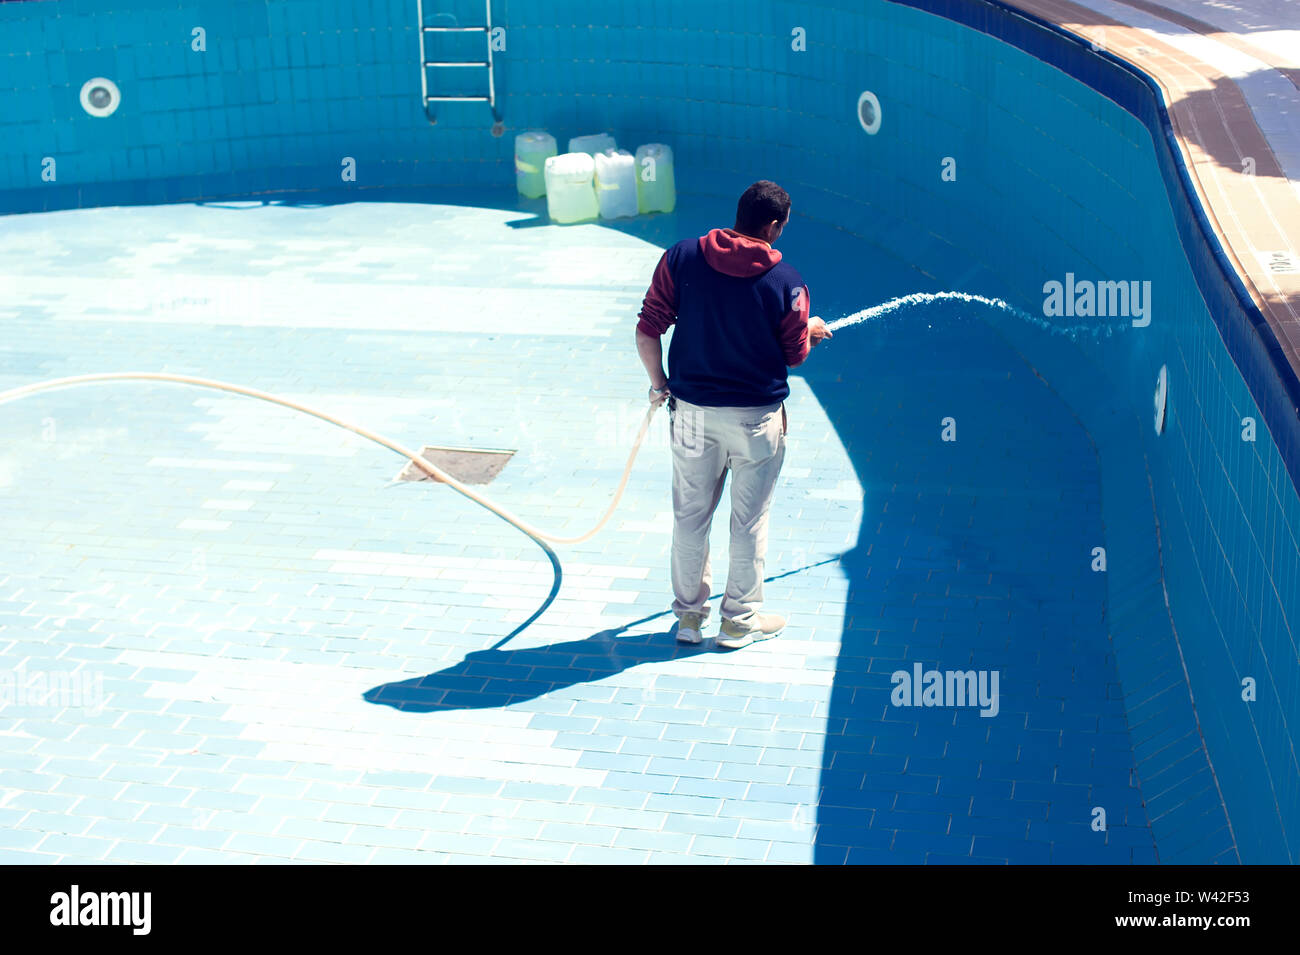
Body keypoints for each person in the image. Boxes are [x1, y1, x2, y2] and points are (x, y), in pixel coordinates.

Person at [635, 180, 832, 649]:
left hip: (691, 414)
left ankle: (688, 619)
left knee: (690, 516)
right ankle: (739, 621)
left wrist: (660, 385)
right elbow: (793, 355)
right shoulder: (787, 283)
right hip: (755, 421)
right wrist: (810, 331)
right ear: (773, 225)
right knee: (748, 523)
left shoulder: (681, 258)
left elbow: (647, 331)